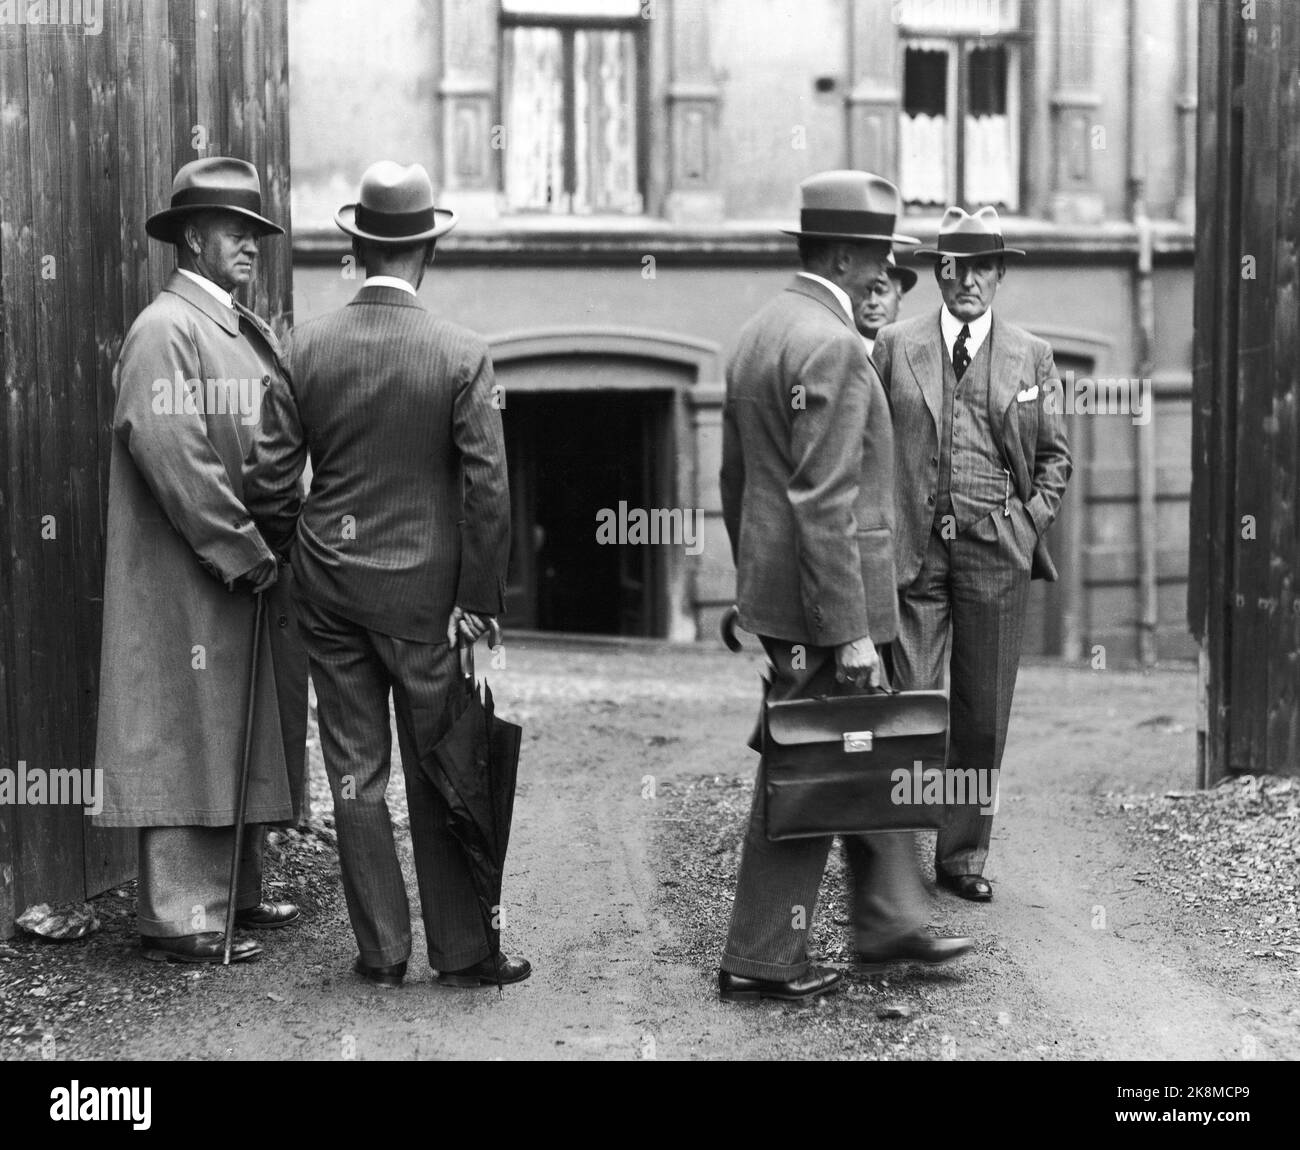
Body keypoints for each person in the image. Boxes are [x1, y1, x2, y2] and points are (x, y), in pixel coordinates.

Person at [245, 161, 528, 989]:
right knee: (442, 763)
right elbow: (488, 490)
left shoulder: (306, 348)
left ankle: (380, 950)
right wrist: (477, 603)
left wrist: (306, 552)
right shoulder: (460, 354)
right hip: (427, 603)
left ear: (358, 248)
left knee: (354, 771)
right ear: (425, 252)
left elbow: (266, 482)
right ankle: (465, 952)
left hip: (328, 594)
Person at [716, 171, 973, 1004]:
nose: (886, 278)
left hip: (790, 597)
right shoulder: (829, 344)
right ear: (843, 254)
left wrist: (750, 591)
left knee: (859, 750)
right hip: (828, 607)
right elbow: (820, 500)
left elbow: (739, 483)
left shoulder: (762, 329)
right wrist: (850, 632)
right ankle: (762, 956)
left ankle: (888, 917)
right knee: (816, 771)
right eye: (877, 259)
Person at [93, 157, 306, 964]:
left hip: (232, 564)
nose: (250, 244)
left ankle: (233, 896)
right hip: (188, 570)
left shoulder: (233, 324)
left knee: (234, 727)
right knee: (181, 727)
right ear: (191, 236)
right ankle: (179, 915)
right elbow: (172, 449)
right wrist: (242, 547)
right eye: (233, 230)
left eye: (256, 231)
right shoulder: (165, 328)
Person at [872, 206, 1072, 901]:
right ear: (938, 274)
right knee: (913, 704)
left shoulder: (1031, 356)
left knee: (982, 715)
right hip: (916, 554)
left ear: (999, 274)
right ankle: (897, 861)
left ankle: (961, 860)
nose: (969, 282)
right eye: (956, 269)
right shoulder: (896, 345)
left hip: (994, 552)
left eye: (983, 268)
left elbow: (1055, 458)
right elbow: (867, 445)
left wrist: (1023, 526)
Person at [855, 251, 916, 356]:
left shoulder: (916, 353)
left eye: (880, 291)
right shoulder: (840, 353)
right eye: (864, 292)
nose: (873, 302)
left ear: (899, 298)